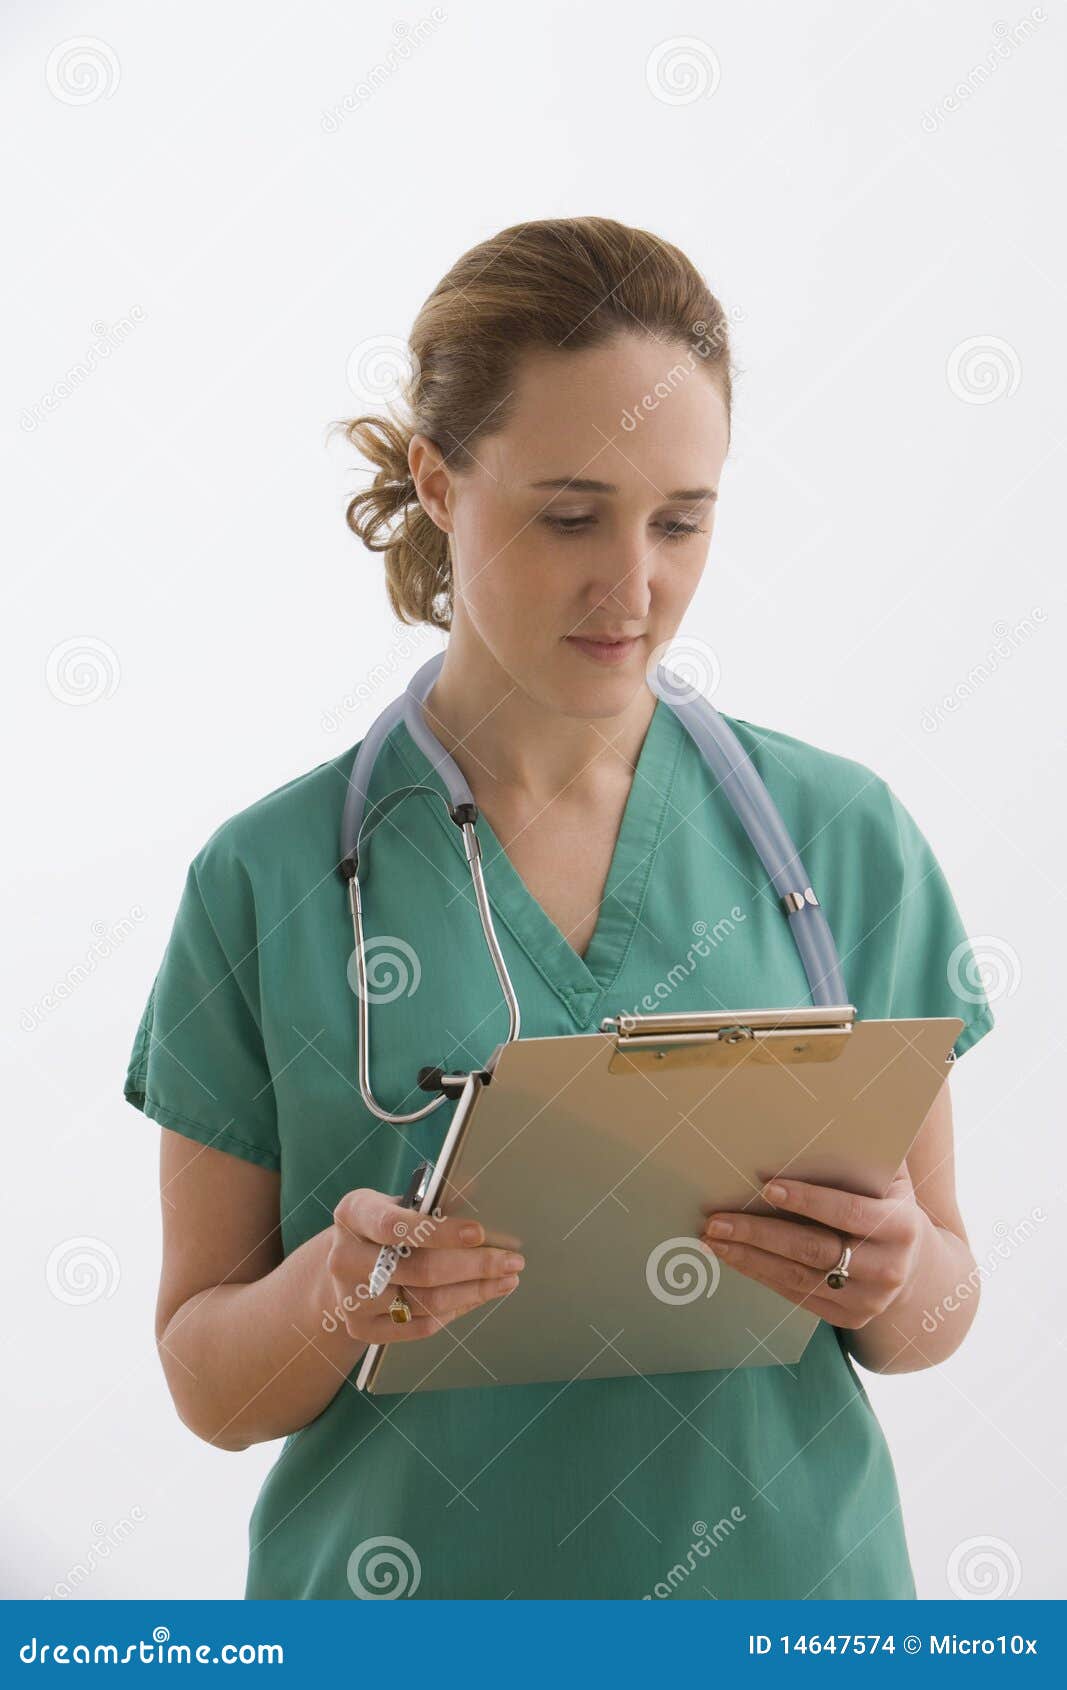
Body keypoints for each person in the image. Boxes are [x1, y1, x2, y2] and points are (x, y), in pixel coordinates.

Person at [123, 216, 995, 1600]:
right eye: (571, 514)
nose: (633, 585)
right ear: (437, 481)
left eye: (683, 519)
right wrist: (335, 1297)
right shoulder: (270, 880)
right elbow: (211, 1388)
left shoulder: (842, 839)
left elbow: (939, 1314)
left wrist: (899, 1272)